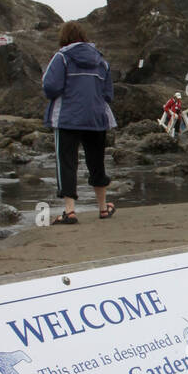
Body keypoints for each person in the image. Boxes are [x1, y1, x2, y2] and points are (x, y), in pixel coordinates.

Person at [42, 22, 116, 224]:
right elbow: (108, 93)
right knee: (96, 162)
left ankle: (69, 211)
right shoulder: (101, 61)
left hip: (67, 118)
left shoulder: (61, 58)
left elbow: (50, 87)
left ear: (64, 38)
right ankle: (102, 208)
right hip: (96, 118)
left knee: (66, 162)